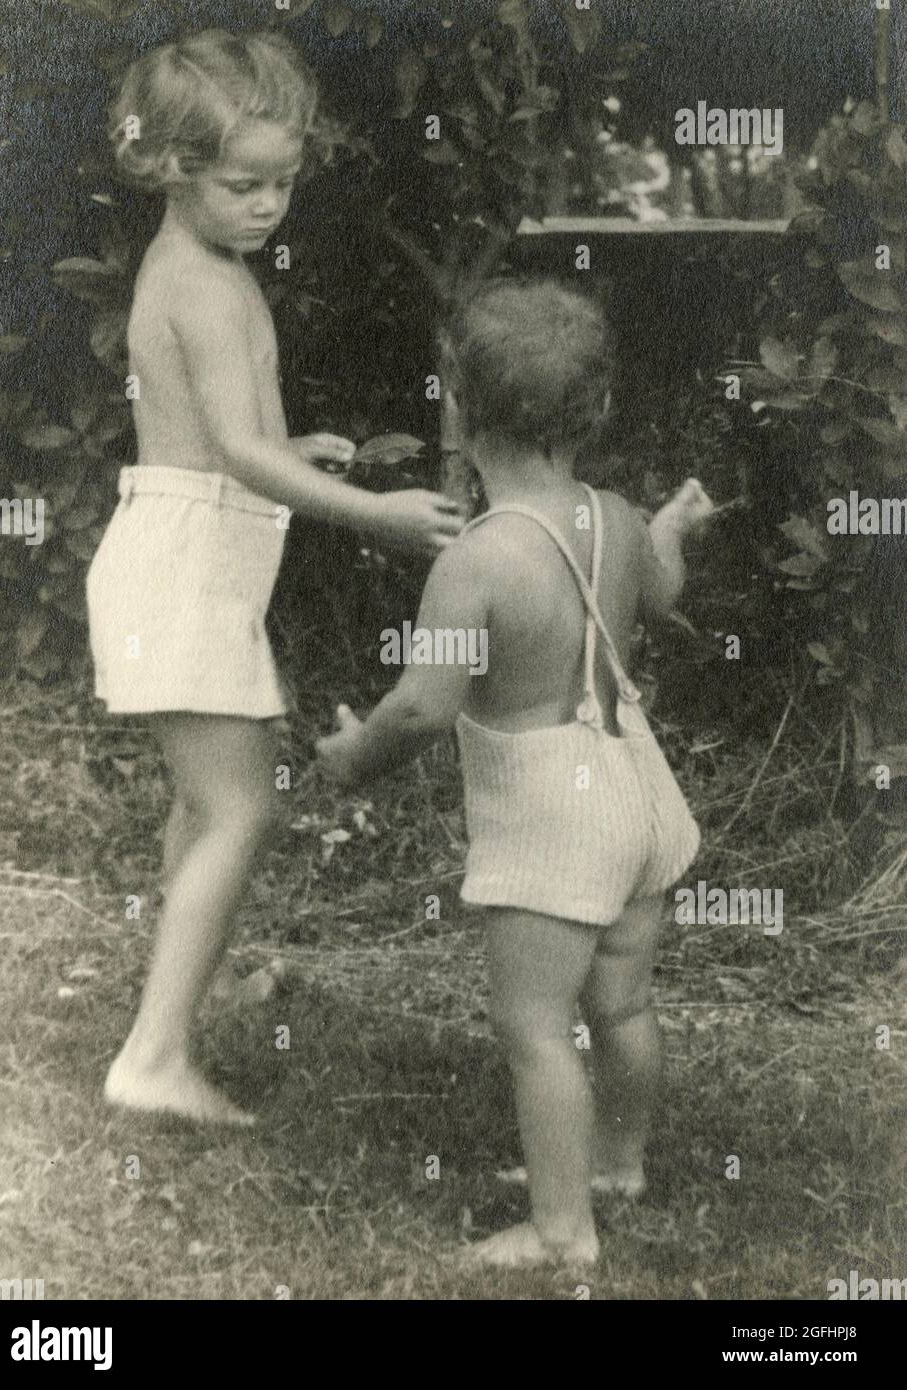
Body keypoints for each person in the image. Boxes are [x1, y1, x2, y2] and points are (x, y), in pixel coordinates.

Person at [87, 29, 462, 1126]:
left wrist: (296, 455)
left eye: (283, 183)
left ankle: (172, 1006)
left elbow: (219, 441)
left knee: (208, 806)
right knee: (242, 807)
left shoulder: (206, 266)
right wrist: (378, 516)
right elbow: (239, 456)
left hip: (190, 554)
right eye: (241, 183)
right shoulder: (199, 286)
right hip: (184, 569)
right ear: (166, 166)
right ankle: (152, 1057)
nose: (266, 206)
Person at [317, 278, 711, 1266]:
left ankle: (560, 1229)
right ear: (600, 406)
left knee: (534, 1023)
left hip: (554, 818)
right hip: (638, 792)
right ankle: (617, 1163)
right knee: (619, 1002)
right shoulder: (613, 517)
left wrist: (352, 754)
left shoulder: (481, 557)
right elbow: (660, 593)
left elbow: (422, 706)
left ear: (459, 402)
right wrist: (669, 528)